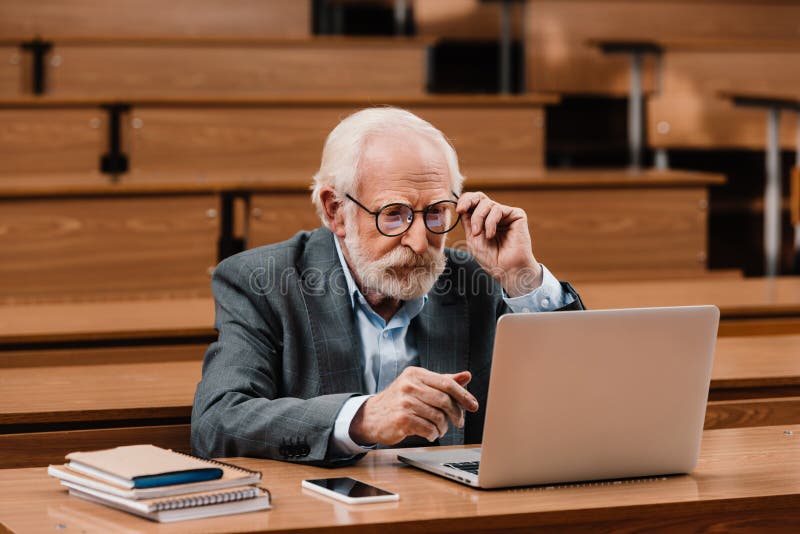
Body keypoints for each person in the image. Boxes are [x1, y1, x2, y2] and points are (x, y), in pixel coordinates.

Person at [191, 108, 584, 466]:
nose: (418, 240)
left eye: (435, 213)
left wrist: (523, 278)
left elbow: (582, 397)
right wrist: (362, 418)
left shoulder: (481, 279)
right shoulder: (261, 281)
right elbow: (218, 420)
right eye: (393, 215)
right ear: (335, 210)